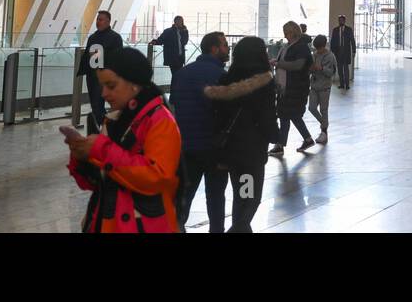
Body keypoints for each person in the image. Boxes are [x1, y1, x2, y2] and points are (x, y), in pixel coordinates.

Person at [65, 47, 181, 232]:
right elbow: (97, 182)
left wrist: (101, 149)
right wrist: (82, 155)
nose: (104, 94)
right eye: (102, 86)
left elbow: (157, 177)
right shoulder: (114, 120)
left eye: (111, 86)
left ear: (134, 84)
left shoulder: (160, 121)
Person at [204, 37, 279, 232]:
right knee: (248, 199)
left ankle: (240, 226)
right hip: (251, 152)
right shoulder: (264, 81)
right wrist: (274, 135)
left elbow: (217, 113)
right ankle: (239, 228)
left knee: (242, 195)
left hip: (230, 149)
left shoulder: (226, 78)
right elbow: (267, 114)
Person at [172, 30, 230, 232]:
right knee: (215, 196)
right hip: (214, 147)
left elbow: (175, 107)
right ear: (214, 49)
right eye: (223, 45)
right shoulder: (222, 76)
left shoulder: (181, 73)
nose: (227, 48)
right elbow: (226, 113)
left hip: (186, 146)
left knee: (184, 195)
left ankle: (175, 227)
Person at [270, 21, 314, 155]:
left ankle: (281, 145)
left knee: (289, 114)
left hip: (296, 88)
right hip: (286, 88)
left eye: (287, 32)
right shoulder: (287, 46)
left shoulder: (301, 48)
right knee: (287, 115)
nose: (285, 35)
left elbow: (298, 65)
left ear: (293, 32)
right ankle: (289, 142)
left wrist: (278, 64)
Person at [79, 10, 123, 133]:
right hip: (92, 76)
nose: (98, 22)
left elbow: (118, 58)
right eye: (97, 19)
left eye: (101, 19)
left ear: (108, 21)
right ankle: (106, 129)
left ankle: (109, 129)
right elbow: (89, 55)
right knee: (95, 105)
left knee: (98, 106)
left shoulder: (115, 38)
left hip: (105, 78)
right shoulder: (93, 37)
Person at [151, 16, 190, 97]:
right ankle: (175, 94)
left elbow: (185, 42)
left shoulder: (184, 31)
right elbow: (160, 40)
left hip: (180, 58)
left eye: (181, 21)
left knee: (176, 76)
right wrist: (155, 42)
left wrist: (184, 32)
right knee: (176, 75)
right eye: (179, 21)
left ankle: (174, 94)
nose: (180, 23)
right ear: (175, 22)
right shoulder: (168, 31)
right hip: (172, 58)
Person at [307, 34, 336, 144]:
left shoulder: (330, 56)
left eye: (319, 48)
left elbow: (331, 72)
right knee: (312, 108)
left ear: (324, 45)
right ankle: (324, 124)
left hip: (325, 87)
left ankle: (324, 132)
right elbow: (310, 69)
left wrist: (321, 68)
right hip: (314, 86)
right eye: (316, 48)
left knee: (324, 110)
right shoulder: (314, 55)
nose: (318, 50)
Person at [330, 15, 356, 90]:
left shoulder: (349, 29)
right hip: (337, 52)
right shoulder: (335, 30)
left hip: (346, 52)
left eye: (342, 20)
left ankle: (347, 85)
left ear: (344, 21)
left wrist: (354, 51)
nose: (340, 21)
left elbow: (352, 40)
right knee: (340, 69)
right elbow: (333, 41)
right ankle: (341, 84)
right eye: (339, 20)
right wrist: (332, 51)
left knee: (346, 69)